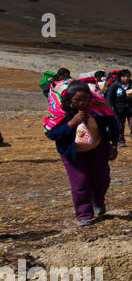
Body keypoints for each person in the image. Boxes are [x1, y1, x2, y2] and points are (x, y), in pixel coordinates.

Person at [45, 80, 121, 225]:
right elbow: (52, 134)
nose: (81, 103)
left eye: (85, 99)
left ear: (90, 97)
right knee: (80, 181)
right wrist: (72, 123)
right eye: (77, 100)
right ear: (69, 99)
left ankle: (98, 201)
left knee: (102, 178)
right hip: (72, 152)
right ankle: (84, 214)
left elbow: (112, 124)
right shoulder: (60, 112)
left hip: (98, 147)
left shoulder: (98, 108)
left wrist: (114, 145)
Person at [105, 69, 132, 147]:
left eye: (128, 76)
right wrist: (111, 107)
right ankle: (120, 141)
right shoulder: (114, 85)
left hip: (130, 108)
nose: (126, 78)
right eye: (124, 76)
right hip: (118, 108)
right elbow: (109, 97)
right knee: (120, 126)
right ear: (120, 77)